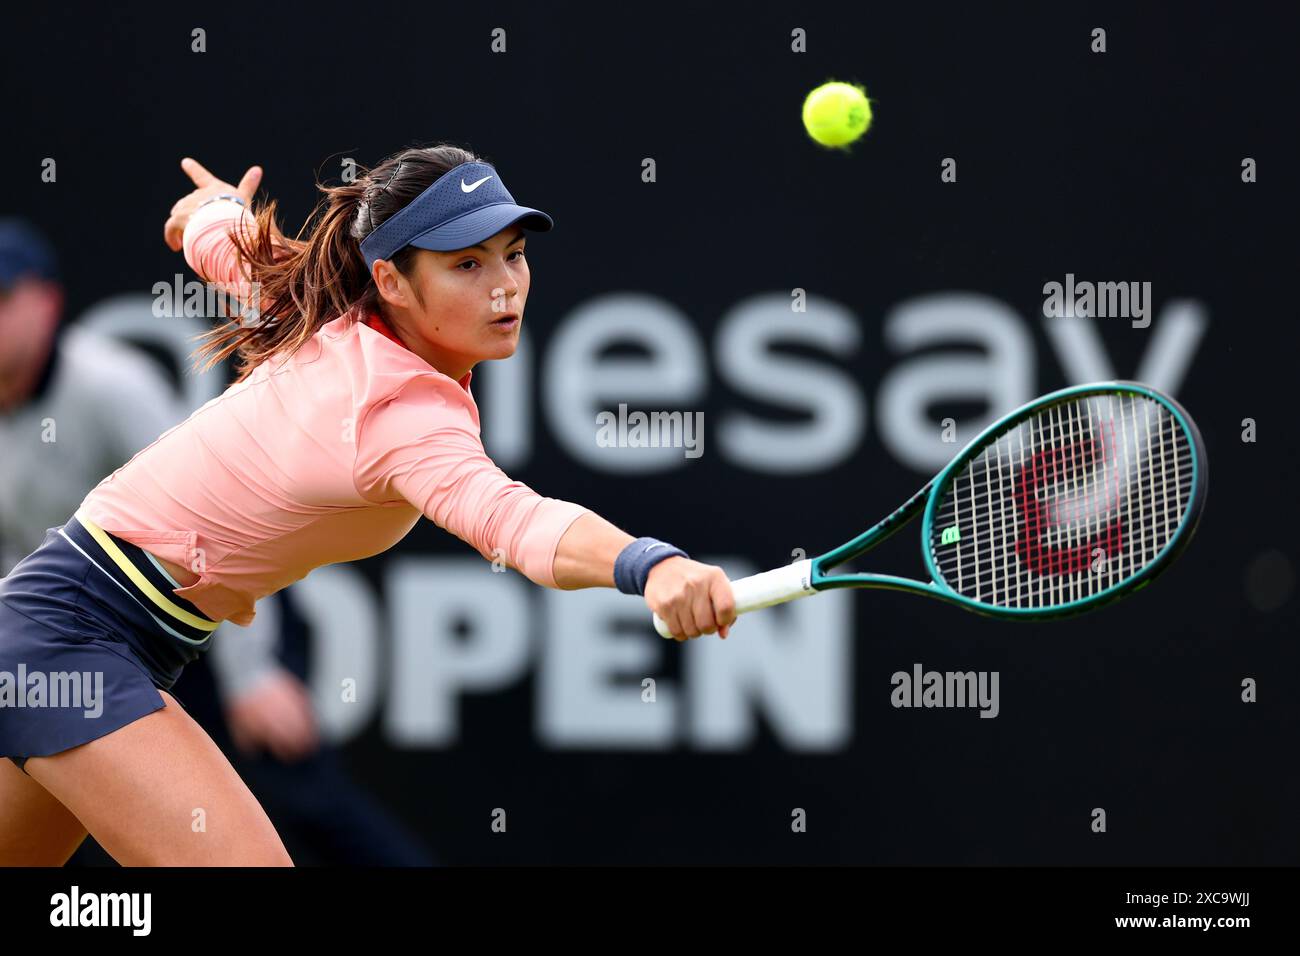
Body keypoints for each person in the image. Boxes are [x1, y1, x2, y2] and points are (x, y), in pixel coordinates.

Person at [0, 144, 736, 866]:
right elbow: (515, 520)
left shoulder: (317, 305)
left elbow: (222, 239)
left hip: (59, 632)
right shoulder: (397, 409)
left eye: (513, 254)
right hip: (73, 637)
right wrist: (650, 564)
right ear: (389, 279)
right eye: (467, 264)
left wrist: (207, 212)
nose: (505, 285)